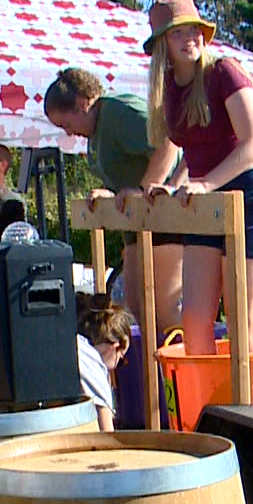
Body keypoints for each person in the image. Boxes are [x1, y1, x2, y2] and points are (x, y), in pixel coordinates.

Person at [137, 0, 253, 357]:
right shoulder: (167, 87)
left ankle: (248, 411)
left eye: (195, 31)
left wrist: (204, 183)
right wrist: (172, 186)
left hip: (252, 198)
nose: (191, 39)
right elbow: (193, 150)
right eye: (178, 33)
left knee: (239, 316)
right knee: (193, 318)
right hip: (205, 205)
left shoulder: (224, 72)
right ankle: (204, 408)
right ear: (162, 45)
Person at [45, 66, 184, 332]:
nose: (68, 133)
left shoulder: (120, 113)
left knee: (165, 317)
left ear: (81, 104)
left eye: (66, 124)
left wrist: (145, 188)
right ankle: (151, 373)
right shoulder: (97, 131)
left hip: (165, 222)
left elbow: (168, 142)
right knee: (138, 310)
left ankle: (177, 373)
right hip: (136, 228)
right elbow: (123, 171)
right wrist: (110, 193)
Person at [74, 292, 132, 432]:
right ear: (115, 347)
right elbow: (107, 434)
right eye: (121, 359)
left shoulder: (72, 346)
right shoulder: (93, 367)